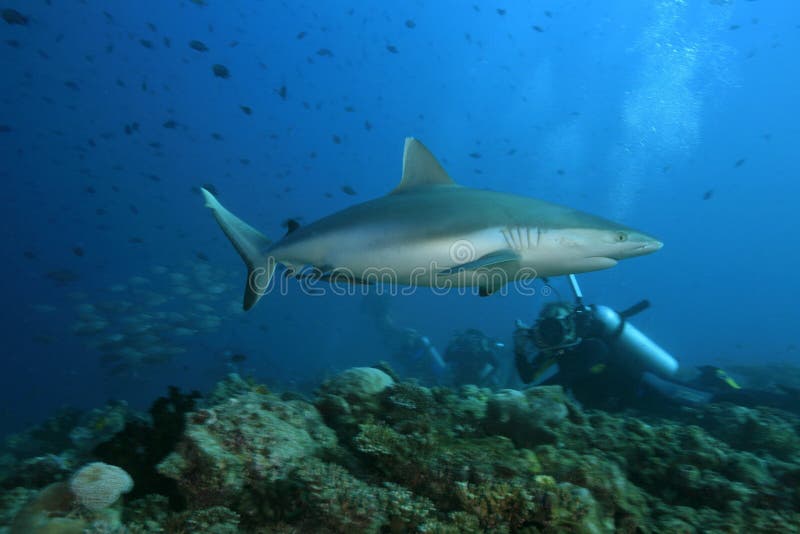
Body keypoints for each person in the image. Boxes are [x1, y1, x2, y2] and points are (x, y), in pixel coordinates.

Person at [514, 275, 691, 411]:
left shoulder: (593, 347)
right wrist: (520, 350)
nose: (554, 333)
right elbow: (528, 376)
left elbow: (563, 379)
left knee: (694, 401)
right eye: (547, 328)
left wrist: (519, 398)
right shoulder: (556, 349)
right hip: (608, 410)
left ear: (572, 323)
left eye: (559, 326)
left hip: (644, 395)